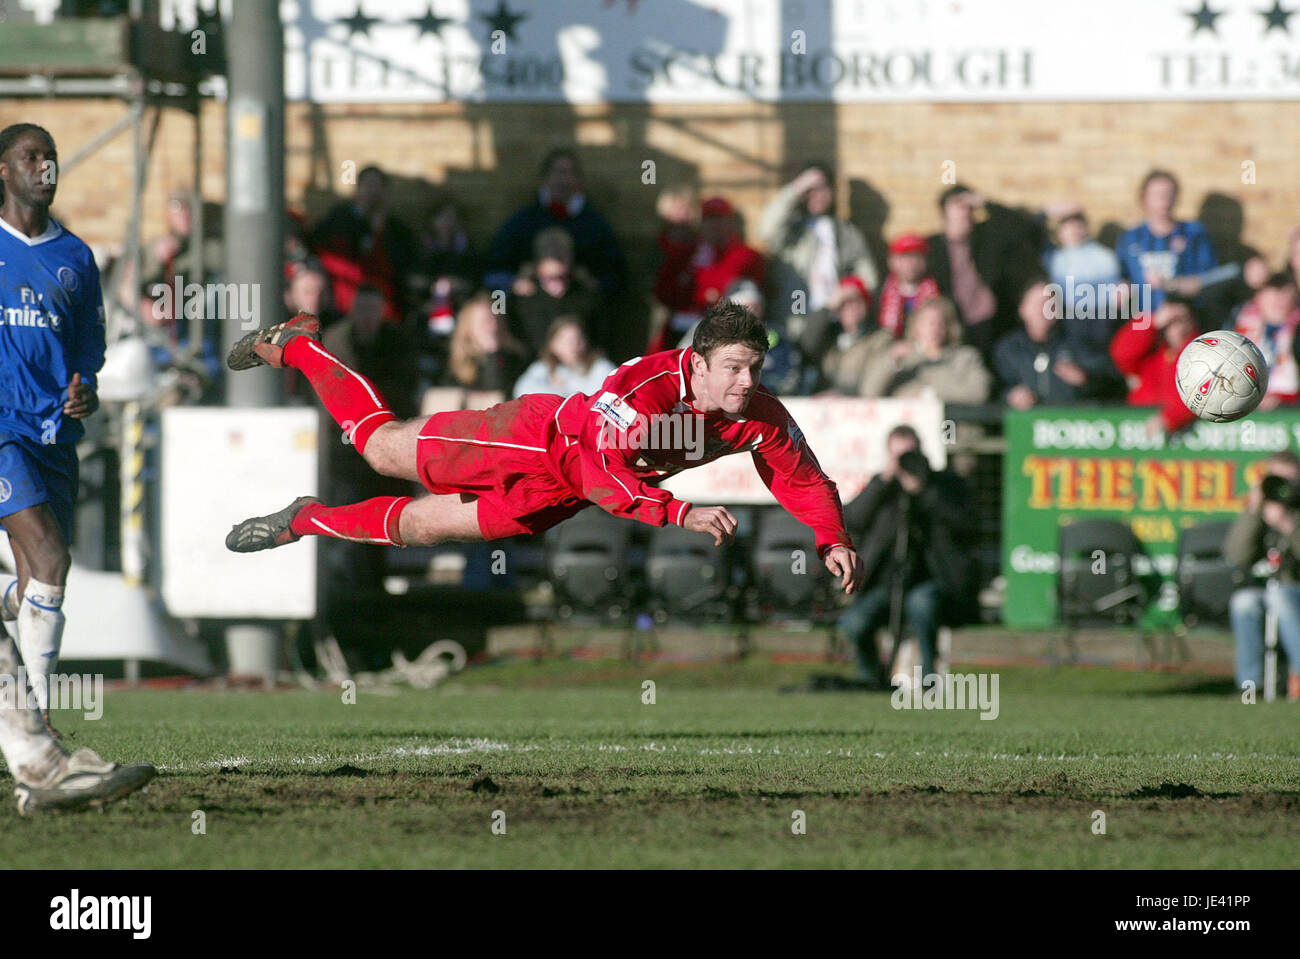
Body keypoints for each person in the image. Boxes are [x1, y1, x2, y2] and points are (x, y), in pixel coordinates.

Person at [223, 301, 863, 597]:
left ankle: (304, 519)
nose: (747, 383)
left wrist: (833, 538)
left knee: (421, 526)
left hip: (560, 492)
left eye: (754, 369)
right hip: (533, 440)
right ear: (696, 363)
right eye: (733, 368)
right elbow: (601, 471)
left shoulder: (758, 414)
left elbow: (802, 478)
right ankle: (300, 344)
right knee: (380, 449)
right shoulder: (643, 386)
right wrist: (677, 512)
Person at [0, 123, 155, 812]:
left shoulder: (75, 256)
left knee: (41, 580)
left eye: (51, 157)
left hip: (53, 435)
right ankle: (36, 741)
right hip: (1, 431)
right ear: (4, 169)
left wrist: (83, 388)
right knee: (52, 556)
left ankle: (29, 741)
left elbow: (87, 350)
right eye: (32, 157)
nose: (46, 167)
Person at [837, 425, 977, 688]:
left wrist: (923, 490)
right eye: (898, 456)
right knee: (855, 623)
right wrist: (883, 481)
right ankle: (870, 679)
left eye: (910, 455)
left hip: (932, 580)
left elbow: (965, 523)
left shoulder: (943, 485)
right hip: (887, 581)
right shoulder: (884, 487)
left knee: (921, 606)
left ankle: (928, 680)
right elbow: (852, 518)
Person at [484, 148, 626, 298]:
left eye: (570, 173)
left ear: (579, 180)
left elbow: (616, 277)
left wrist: (592, 284)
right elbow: (493, 271)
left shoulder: (595, 226)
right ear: (544, 178)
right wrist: (514, 283)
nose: (563, 180)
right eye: (557, 172)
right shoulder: (523, 222)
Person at [758, 162, 877, 338]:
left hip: (835, 319)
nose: (817, 196)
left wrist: (852, 290)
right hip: (796, 316)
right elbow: (766, 230)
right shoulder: (792, 229)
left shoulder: (845, 231)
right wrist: (796, 188)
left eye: (823, 189)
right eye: (811, 190)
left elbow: (868, 275)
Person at [926, 184, 1044, 360]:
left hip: (992, 322)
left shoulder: (986, 237)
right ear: (945, 212)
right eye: (958, 207)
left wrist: (985, 203)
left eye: (968, 208)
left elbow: (1023, 227)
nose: (964, 213)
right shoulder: (933, 246)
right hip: (954, 325)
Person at [1224, 451, 1300, 701]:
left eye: (1289, 480)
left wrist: (1288, 526)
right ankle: (1251, 685)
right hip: (1273, 588)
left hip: (1294, 589)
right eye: (1275, 479)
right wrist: (1254, 510)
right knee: (1243, 602)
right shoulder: (1261, 511)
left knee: (1280, 598)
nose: (1282, 487)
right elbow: (1237, 556)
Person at [650, 196, 766, 352]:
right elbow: (662, 289)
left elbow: (751, 292)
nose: (714, 225)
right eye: (709, 219)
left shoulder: (746, 256)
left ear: (730, 222)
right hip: (680, 327)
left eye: (720, 219)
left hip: (723, 330)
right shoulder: (685, 254)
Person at [310, 165, 415, 321]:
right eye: (368, 186)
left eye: (378, 187)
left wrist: (379, 232)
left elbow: (401, 266)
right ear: (357, 190)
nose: (372, 192)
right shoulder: (340, 220)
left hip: (383, 303)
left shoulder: (395, 229)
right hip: (344, 300)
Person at [995, 279, 1119, 410]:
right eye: (1036, 304)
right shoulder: (1008, 349)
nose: (1041, 311)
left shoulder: (1076, 344)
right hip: (1024, 425)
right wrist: (1010, 395)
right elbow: (995, 387)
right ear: (1022, 309)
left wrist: (1085, 379)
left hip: (1067, 423)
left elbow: (1108, 376)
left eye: (1048, 305)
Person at [858, 297, 992, 404]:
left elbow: (979, 392)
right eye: (927, 323)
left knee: (949, 437)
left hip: (951, 428)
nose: (933, 329)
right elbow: (869, 392)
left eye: (939, 323)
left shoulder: (964, 357)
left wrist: (930, 395)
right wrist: (890, 359)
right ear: (916, 326)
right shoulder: (903, 360)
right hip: (910, 429)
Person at [1116, 170, 1217, 312]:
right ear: (1144, 198)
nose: (1164, 200)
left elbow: (1207, 282)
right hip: (1143, 322)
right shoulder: (1130, 238)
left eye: (1170, 194)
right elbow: (1122, 278)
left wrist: (1168, 284)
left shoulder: (1193, 233)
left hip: (1185, 321)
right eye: (1158, 195)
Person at [1109, 294, 1202, 435]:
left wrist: (1169, 418)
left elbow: (1202, 392)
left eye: (1181, 320)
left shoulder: (1201, 354)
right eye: (1170, 321)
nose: (1176, 327)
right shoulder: (1153, 354)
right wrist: (1152, 322)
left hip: (1180, 432)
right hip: (1140, 425)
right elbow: (1121, 353)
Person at [507, 227, 603, 358]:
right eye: (550, 278)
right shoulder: (522, 296)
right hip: (533, 364)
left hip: (579, 365)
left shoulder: (586, 292)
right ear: (539, 268)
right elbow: (497, 309)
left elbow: (601, 332)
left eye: (563, 277)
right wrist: (507, 289)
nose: (558, 285)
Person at [1040, 207, 1124, 352]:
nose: (1073, 232)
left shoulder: (1104, 256)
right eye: (1067, 227)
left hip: (1101, 315)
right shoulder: (1053, 258)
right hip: (1068, 317)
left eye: (1077, 226)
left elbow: (1115, 287)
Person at [1234, 273, 1300, 411]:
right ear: (1258, 298)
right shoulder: (1240, 328)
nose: (1283, 302)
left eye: (1288, 298)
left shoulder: (1296, 334)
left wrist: (1283, 398)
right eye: (1276, 298)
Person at [442, 292, 528, 392]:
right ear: (469, 328)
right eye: (486, 321)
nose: (494, 326)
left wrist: (494, 354)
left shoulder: (516, 357)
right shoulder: (457, 366)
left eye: (496, 320)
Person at [512, 317, 616, 399]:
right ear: (553, 344)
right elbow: (522, 390)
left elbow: (608, 392)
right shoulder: (542, 368)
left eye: (578, 338)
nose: (573, 345)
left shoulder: (600, 366)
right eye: (566, 340)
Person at [873, 234, 940, 338]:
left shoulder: (937, 292)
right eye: (905, 256)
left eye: (918, 256)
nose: (912, 263)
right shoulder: (880, 295)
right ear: (892, 261)